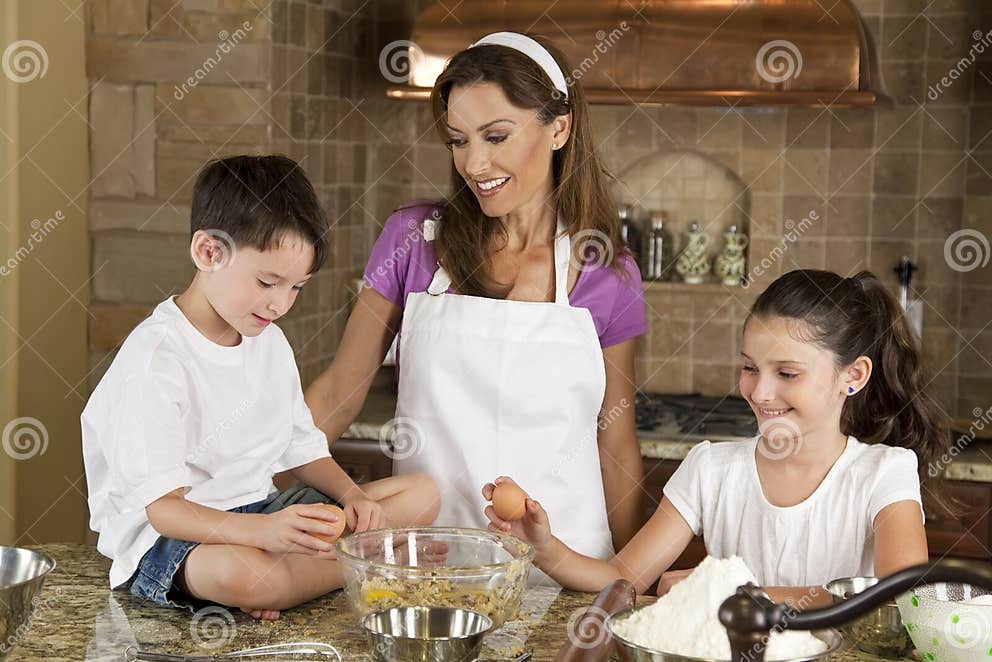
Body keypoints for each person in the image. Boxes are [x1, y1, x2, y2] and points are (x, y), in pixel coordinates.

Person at [304, 32, 648, 578]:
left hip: (565, 575)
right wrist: (248, 485)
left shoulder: (606, 271)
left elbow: (616, 442)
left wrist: (629, 583)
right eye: (458, 141)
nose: (475, 163)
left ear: (559, 127)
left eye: (496, 136)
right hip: (428, 569)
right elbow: (338, 394)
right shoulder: (412, 239)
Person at [82, 155, 439, 620]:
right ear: (208, 252)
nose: (280, 304)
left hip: (263, 510)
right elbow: (164, 513)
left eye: (296, 288)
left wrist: (352, 498)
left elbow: (300, 445)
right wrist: (264, 534)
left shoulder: (266, 339)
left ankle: (316, 570)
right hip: (176, 539)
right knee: (244, 576)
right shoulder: (156, 361)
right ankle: (375, 563)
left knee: (423, 494)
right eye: (268, 282)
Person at [485, 269, 950, 605]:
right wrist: (545, 549)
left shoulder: (884, 474)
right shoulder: (712, 469)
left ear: (853, 376)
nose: (759, 391)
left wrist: (734, 594)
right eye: (750, 367)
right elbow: (622, 577)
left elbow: (900, 599)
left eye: (787, 372)